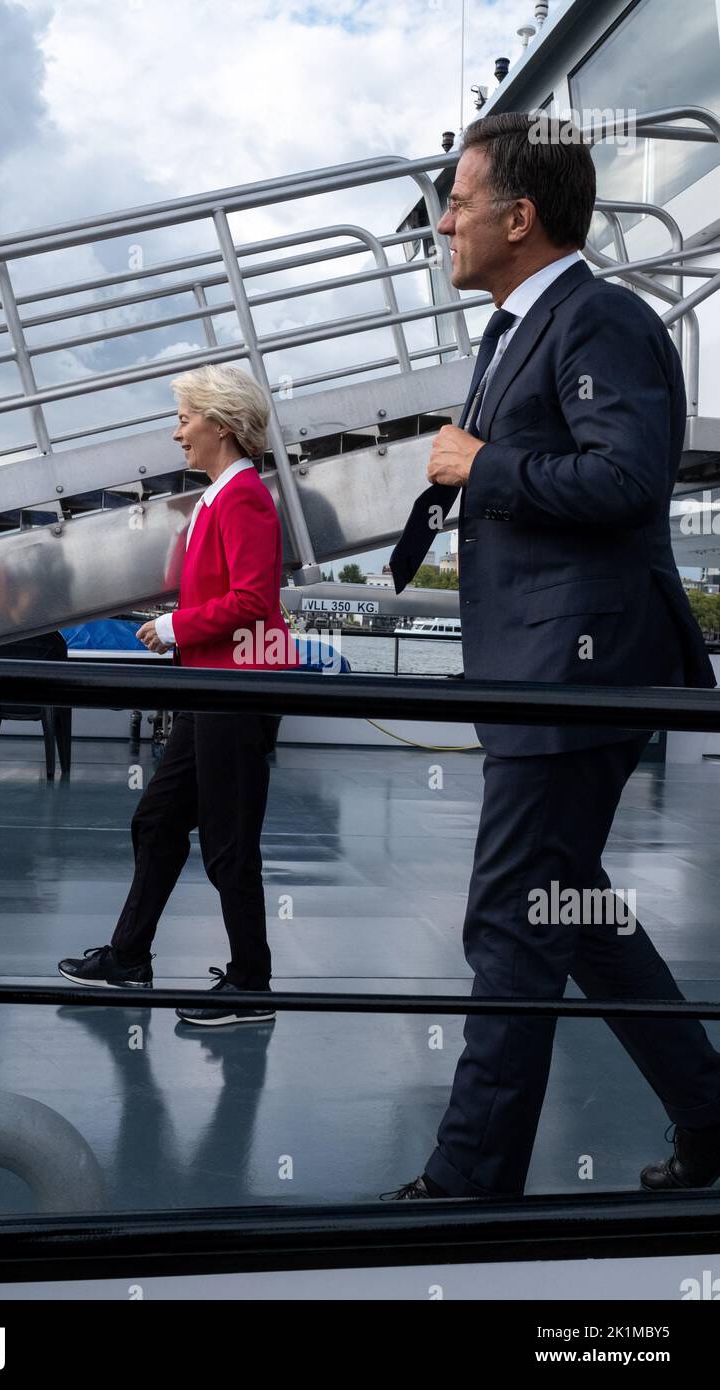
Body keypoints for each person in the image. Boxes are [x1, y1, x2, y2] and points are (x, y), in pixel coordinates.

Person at [383, 112, 720, 1199]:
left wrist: (483, 463)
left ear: (517, 217)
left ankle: (465, 1186)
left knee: (512, 919)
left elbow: (627, 482)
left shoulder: (600, 319)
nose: (443, 223)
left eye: (458, 203)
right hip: (541, 667)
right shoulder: (514, 330)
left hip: (579, 669)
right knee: (570, 912)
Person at [59, 364, 295, 1026]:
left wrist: (173, 626)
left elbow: (252, 601)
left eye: (186, 419)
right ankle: (130, 958)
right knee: (158, 822)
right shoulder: (220, 497)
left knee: (228, 842)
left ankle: (253, 986)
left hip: (237, 689)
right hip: (210, 687)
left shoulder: (244, 497)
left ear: (220, 425)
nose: (177, 433)